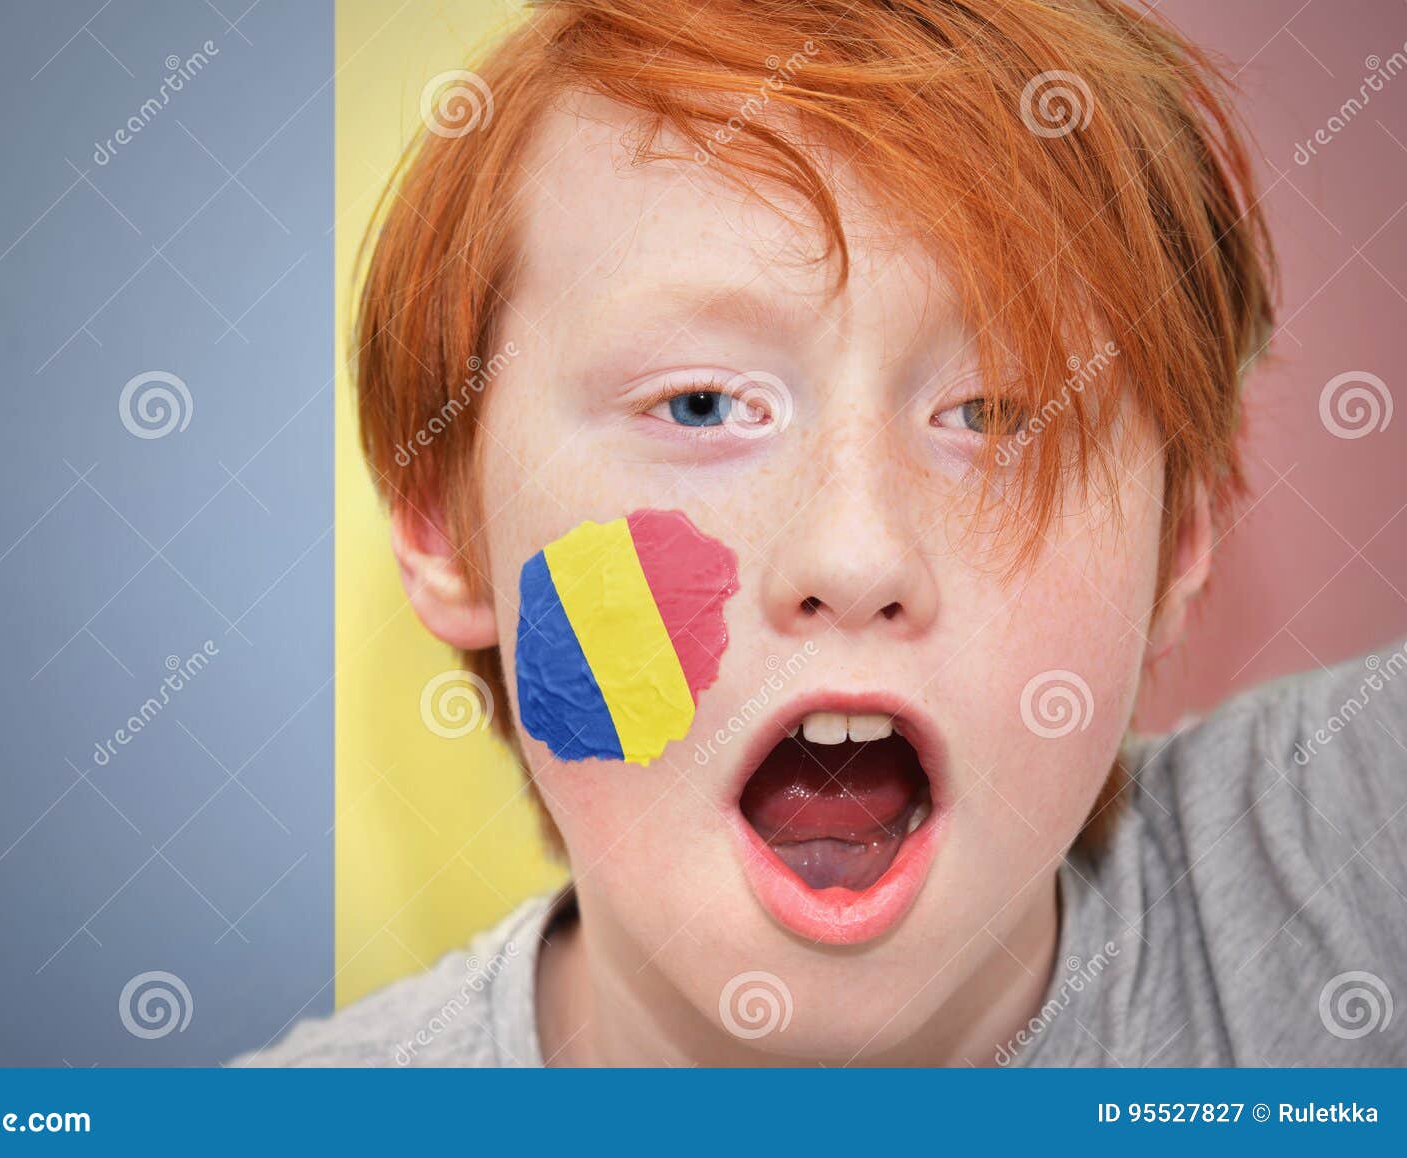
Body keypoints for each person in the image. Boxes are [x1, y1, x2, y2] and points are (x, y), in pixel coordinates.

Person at [246, 0, 1406, 1066]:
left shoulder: (1347, 861)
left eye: (998, 414)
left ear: (1178, 542)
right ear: (449, 532)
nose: (855, 558)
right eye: (699, 404)